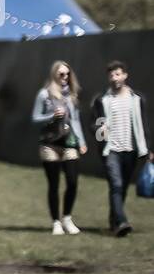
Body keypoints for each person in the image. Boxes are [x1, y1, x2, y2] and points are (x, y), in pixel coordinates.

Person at [91, 60, 151, 237]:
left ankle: (114, 222)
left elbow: (143, 125)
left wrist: (148, 148)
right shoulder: (102, 100)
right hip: (111, 150)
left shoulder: (137, 99)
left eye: (118, 74)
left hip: (131, 150)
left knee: (122, 187)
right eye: (111, 75)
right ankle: (123, 221)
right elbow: (94, 125)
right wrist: (100, 134)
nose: (114, 78)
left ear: (125, 75)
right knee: (116, 184)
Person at [32, 61, 87, 235]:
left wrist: (82, 141)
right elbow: (35, 118)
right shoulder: (44, 94)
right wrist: (51, 115)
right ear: (54, 75)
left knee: (72, 182)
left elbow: (76, 120)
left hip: (69, 142)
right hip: (49, 144)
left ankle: (67, 218)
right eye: (61, 74)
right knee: (53, 184)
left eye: (67, 74)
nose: (65, 77)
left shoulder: (71, 95)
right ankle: (56, 222)